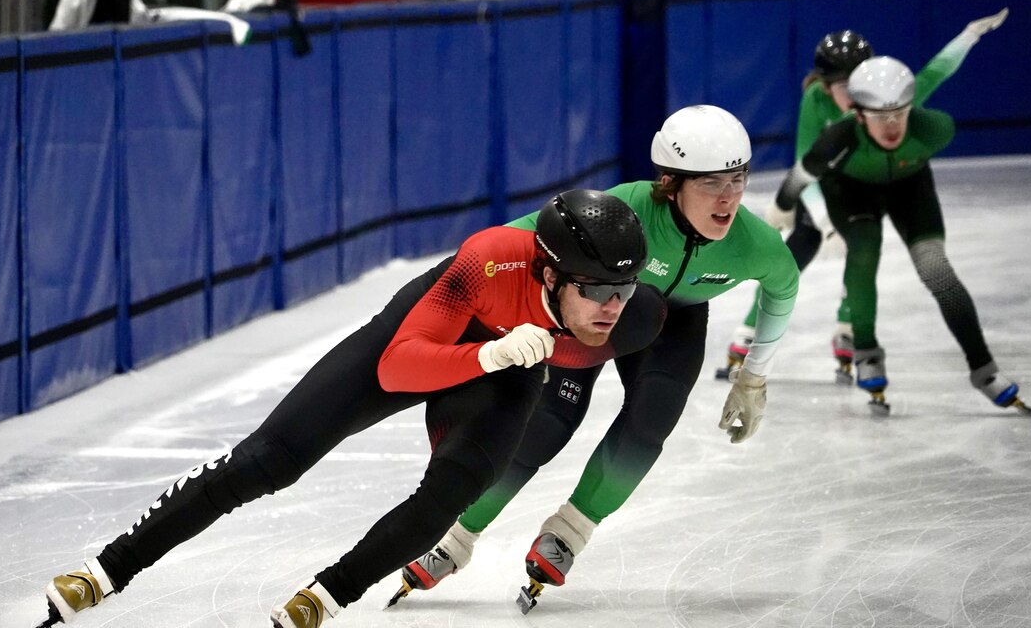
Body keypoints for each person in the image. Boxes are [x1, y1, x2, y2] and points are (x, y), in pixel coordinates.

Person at [37, 189, 668, 627]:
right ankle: (106, 570)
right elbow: (397, 368)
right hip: (424, 339)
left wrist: (513, 360)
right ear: (551, 276)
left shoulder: (631, 315)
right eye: (598, 291)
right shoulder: (488, 259)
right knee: (268, 461)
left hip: (506, 370)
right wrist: (488, 354)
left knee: (450, 495)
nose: (613, 306)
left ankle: (325, 598)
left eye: (625, 288)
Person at [389, 105, 800, 614]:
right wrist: (452, 287)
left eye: (738, 179)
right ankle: (457, 534)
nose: (729, 197)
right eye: (712, 182)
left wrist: (754, 377)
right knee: (546, 424)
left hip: (675, 327)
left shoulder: (754, 244)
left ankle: (571, 530)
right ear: (670, 183)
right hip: (594, 315)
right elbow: (519, 238)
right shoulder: (623, 210)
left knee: (652, 420)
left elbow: (784, 288)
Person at [719, 8, 1010, 384]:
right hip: (830, 185)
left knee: (862, 252)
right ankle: (749, 330)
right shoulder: (816, 102)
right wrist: (823, 222)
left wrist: (968, 35)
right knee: (794, 254)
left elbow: (933, 74)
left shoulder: (882, 95)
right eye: (845, 86)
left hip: (878, 184)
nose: (857, 94)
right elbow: (805, 162)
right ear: (826, 86)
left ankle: (848, 324)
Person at [765, 55, 1031, 415]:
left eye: (900, 114)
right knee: (863, 251)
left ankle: (984, 368)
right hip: (851, 193)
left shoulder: (934, 128)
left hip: (909, 189)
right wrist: (782, 206)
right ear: (859, 115)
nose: (892, 126)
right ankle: (866, 351)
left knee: (936, 268)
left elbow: (937, 72)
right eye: (880, 116)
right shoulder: (838, 138)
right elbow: (801, 173)